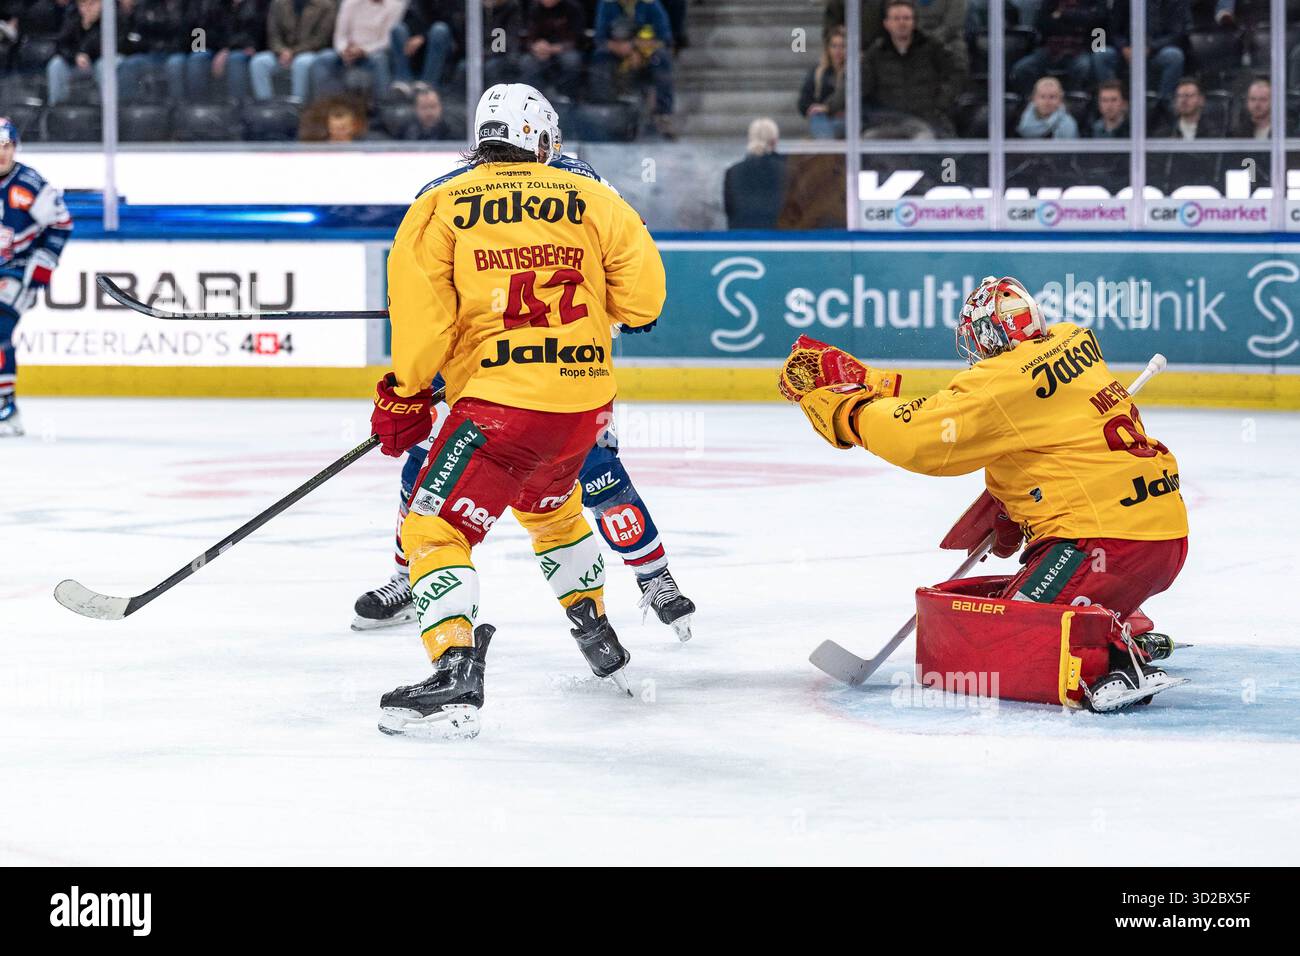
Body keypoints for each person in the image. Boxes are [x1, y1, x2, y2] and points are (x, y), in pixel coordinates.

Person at [369, 83, 667, 739]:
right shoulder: (594, 197)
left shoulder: (440, 202)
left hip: (499, 408)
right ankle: (595, 628)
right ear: (541, 140)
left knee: (431, 530)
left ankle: (453, 674)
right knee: (550, 510)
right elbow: (644, 301)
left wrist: (407, 387)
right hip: (585, 407)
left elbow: (422, 318)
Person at [779, 275, 1189, 710]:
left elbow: (920, 439)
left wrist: (852, 408)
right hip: (1163, 539)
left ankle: (1113, 655)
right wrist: (1014, 502)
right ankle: (1127, 623)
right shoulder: (1075, 341)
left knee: (1002, 637)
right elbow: (1042, 440)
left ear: (989, 335)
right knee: (1017, 605)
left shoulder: (1000, 384)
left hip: (1103, 543)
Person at [0, 118, 73, 437]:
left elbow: (61, 223)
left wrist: (41, 267)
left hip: (18, 270)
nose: (1, 154)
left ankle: (6, 408)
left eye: (7, 147)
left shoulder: (29, 184)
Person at [857, 0, 961, 138]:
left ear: (914, 22)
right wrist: (830, 106)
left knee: (924, 141)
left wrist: (941, 102)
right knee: (868, 141)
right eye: (896, 18)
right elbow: (860, 85)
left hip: (927, 120)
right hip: (887, 121)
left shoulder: (932, 47)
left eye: (906, 18)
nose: (902, 23)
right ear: (886, 24)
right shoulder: (876, 52)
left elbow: (957, 72)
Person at [592, 2, 675, 138]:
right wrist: (621, 49)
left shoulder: (651, 4)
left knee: (662, 58)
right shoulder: (607, 4)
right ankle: (604, 110)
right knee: (600, 57)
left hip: (646, 54)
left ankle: (663, 114)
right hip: (616, 52)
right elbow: (600, 38)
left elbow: (664, 38)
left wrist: (638, 50)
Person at [1096, 0, 1189, 112]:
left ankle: (1163, 107)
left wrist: (1151, 47)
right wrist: (1123, 47)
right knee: (1101, 54)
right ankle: (1112, 101)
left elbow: (1176, 33)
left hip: (1156, 51)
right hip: (1126, 52)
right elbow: (1113, 29)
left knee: (1174, 56)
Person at [1009, 0, 1110, 97]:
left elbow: (1097, 22)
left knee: (1083, 67)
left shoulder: (1093, 2)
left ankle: (1073, 104)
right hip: (1050, 50)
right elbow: (1041, 24)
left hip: (1080, 50)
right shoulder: (1051, 2)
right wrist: (1077, 20)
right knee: (1022, 69)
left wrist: (1061, 15)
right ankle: (1033, 103)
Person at [312, 0, 403, 100]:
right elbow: (340, 35)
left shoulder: (395, 6)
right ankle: (331, 104)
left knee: (379, 59)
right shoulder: (350, 3)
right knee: (324, 57)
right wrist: (344, 50)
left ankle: (383, 106)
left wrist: (363, 50)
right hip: (348, 51)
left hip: (373, 52)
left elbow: (387, 41)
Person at [249, 0, 337, 102]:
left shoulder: (326, 5)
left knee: (301, 62)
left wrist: (293, 52)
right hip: (282, 53)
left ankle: (297, 105)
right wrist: (281, 50)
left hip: (312, 52)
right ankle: (265, 104)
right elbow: (273, 35)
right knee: (259, 62)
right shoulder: (278, 4)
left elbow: (321, 39)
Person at [187, 0, 270, 102]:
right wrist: (222, 48)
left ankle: (237, 106)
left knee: (235, 59)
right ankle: (198, 107)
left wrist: (228, 49)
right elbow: (209, 31)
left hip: (245, 49)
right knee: (197, 57)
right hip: (220, 48)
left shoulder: (258, 4)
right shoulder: (219, 4)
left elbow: (257, 33)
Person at [723, 118, 786, 230]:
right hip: (779, 237)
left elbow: (729, 210)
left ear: (750, 139)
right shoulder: (788, 170)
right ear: (775, 141)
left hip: (741, 237)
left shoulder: (732, 172)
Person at [518, 0, 585, 99]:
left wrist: (554, 48)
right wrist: (535, 46)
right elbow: (529, 36)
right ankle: (535, 97)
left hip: (564, 49)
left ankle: (567, 97)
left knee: (571, 59)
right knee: (526, 61)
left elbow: (577, 38)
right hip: (541, 50)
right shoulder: (534, 8)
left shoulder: (572, 8)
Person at [389, 0, 460, 91]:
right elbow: (409, 20)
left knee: (439, 30)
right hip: (418, 46)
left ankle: (428, 82)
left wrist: (423, 37)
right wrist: (415, 37)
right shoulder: (416, 3)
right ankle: (403, 80)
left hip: (444, 45)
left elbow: (451, 24)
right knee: (398, 29)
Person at [46, 0, 106, 105]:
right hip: (77, 64)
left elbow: (107, 46)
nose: (87, 9)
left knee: (103, 66)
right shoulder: (73, 18)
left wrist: (90, 26)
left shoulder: (110, 19)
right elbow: (61, 45)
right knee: (56, 64)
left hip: (98, 61)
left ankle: (106, 108)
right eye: (83, 5)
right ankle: (56, 108)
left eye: (92, 4)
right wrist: (75, 56)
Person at [798, 24, 846, 139]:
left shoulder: (856, 71)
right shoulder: (818, 71)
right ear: (828, 48)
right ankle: (827, 147)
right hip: (823, 119)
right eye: (834, 46)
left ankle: (826, 148)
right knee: (818, 118)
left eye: (842, 46)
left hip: (846, 118)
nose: (838, 51)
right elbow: (804, 101)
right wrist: (813, 108)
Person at [1016, 75, 1078, 139]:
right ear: (1034, 99)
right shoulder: (1020, 122)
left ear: (1060, 100)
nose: (1047, 102)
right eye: (1042, 96)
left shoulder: (1068, 125)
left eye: (1052, 97)